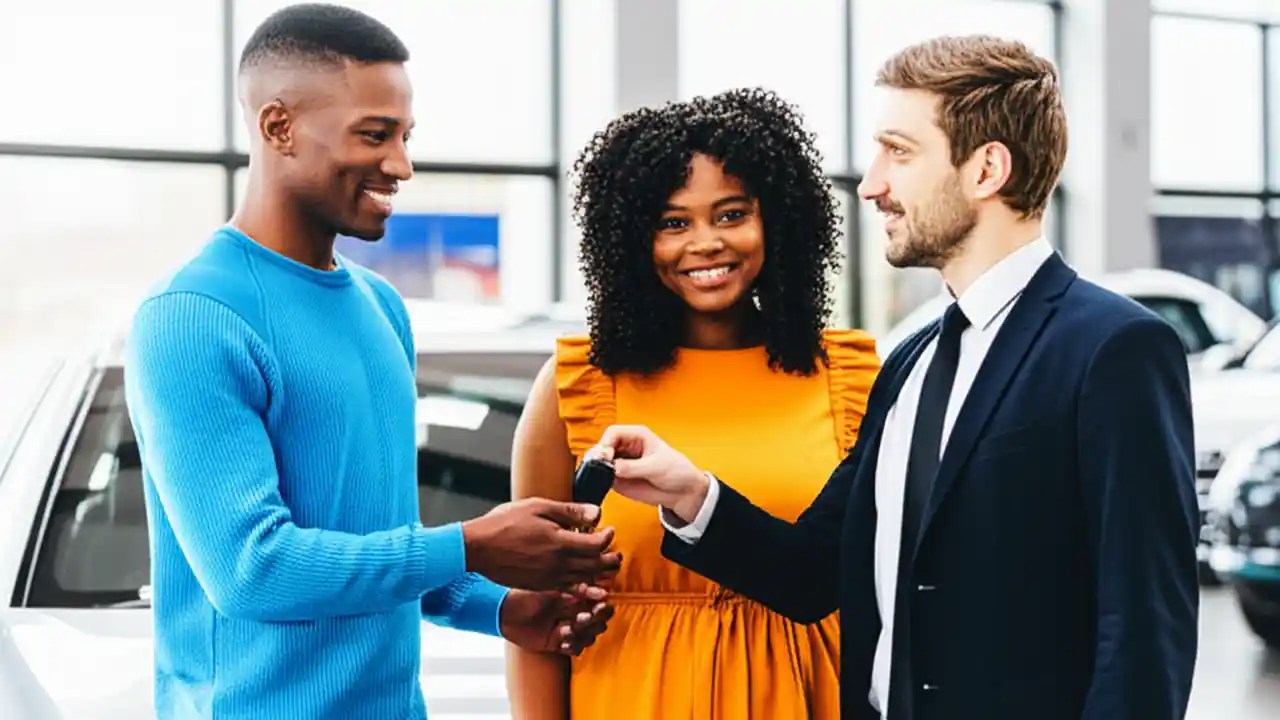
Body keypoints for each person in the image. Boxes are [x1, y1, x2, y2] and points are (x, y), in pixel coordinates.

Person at [592, 35, 1199, 720]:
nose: (872, 184)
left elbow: (1144, 634)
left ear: (987, 169)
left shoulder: (1114, 349)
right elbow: (812, 573)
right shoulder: (910, 363)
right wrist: (690, 492)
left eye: (899, 152)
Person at [123, 5, 618, 719]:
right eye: (375, 135)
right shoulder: (192, 316)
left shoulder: (382, 307)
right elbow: (252, 572)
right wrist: (471, 544)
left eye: (406, 136)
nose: (402, 165)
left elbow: (378, 542)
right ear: (278, 126)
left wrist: (501, 609)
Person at [506, 88, 882, 719]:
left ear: (778, 220)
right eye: (673, 223)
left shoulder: (848, 379)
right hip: (630, 697)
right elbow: (538, 613)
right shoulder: (579, 384)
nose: (706, 242)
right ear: (632, 239)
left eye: (732, 214)